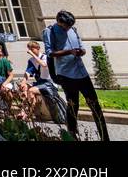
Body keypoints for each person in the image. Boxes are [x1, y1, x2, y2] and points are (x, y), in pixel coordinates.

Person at [43, 10, 110, 141]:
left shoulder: (73, 29)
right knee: (73, 106)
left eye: (70, 25)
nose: (68, 28)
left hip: (82, 73)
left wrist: (81, 51)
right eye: (66, 26)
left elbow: (81, 47)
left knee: (95, 106)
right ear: (59, 22)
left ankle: (105, 137)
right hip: (66, 74)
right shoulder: (49, 31)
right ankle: (72, 136)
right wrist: (69, 52)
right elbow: (50, 53)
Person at [21, 40, 64, 123]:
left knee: (31, 90)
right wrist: (23, 81)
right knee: (24, 87)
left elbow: (44, 65)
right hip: (40, 83)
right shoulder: (31, 61)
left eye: (32, 48)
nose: (30, 50)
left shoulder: (45, 57)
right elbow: (28, 72)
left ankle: (29, 114)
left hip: (49, 83)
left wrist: (33, 55)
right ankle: (23, 112)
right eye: (29, 49)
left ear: (38, 48)